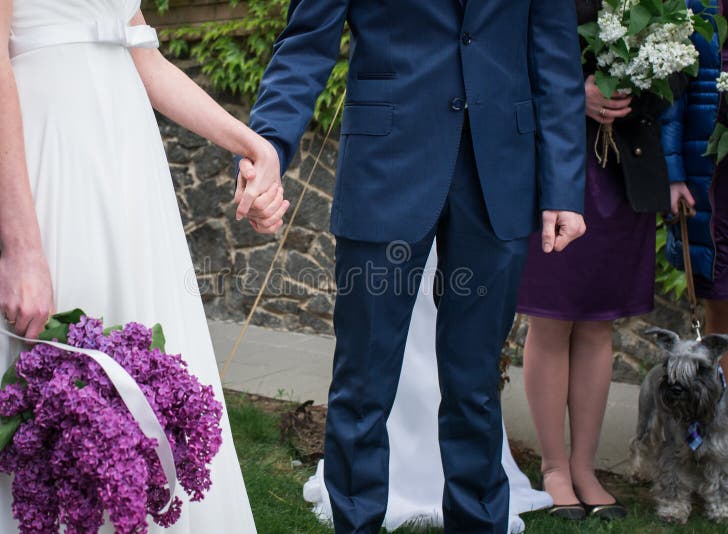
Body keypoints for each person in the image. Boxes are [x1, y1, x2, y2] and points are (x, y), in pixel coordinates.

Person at [0, 0, 287, 531]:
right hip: (47, 161)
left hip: (128, 161)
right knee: (52, 384)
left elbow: (137, 46)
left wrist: (251, 144)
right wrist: (24, 248)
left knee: (146, 370)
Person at [243, 0, 588, 532]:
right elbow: (306, 43)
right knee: (363, 384)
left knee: (475, 385)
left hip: (501, 172)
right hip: (386, 165)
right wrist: (266, 149)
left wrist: (563, 184)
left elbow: (556, 57)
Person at [516, 0, 674, 521]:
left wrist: (648, 72)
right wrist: (573, 94)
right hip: (559, 161)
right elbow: (508, 51)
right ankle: (555, 468)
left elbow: (680, 63)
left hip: (623, 164)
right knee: (552, 316)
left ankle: (584, 467)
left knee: (598, 323)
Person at [302, 242, 554, 533]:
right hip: (384, 204)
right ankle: (355, 521)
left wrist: (562, 197)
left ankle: (477, 521)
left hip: (490, 206)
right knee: (363, 379)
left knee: (475, 384)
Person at [662, 0, 728, 474]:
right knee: (723, 324)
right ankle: (725, 461)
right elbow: (671, 89)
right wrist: (671, 172)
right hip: (713, 171)